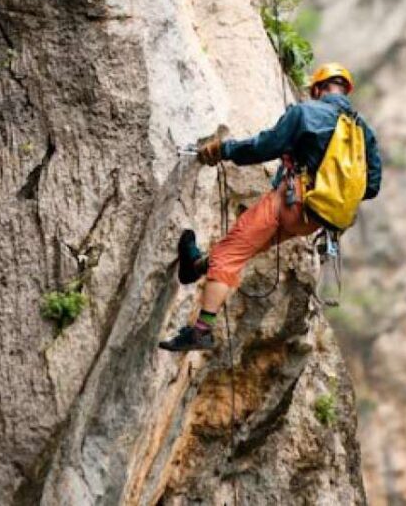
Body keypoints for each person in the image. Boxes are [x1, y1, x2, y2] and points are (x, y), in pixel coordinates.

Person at [158, 62, 382, 352]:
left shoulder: (306, 112)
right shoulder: (364, 133)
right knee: (243, 247)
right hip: (314, 219)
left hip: (289, 201)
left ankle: (201, 331)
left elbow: (265, 147)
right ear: (346, 91)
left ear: (317, 89)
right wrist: (329, 190)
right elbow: (372, 186)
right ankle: (196, 265)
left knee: (230, 254)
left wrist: (224, 150)